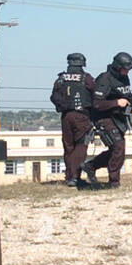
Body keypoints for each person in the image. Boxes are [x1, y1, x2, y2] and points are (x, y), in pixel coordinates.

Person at [83, 52, 132, 188]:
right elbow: (97, 104)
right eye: (125, 68)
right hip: (103, 118)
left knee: (117, 150)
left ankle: (91, 166)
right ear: (117, 66)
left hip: (118, 118)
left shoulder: (124, 78)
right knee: (118, 146)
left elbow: (125, 95)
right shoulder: (105, 79)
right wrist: (116, 103)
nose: (127, 71)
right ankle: (114, 182)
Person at [49, 52, 96, 186]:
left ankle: (69, 177)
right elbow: (96, 94)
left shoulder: (61, 78)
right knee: (81, 145)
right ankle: (75, 177)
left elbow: (53, 97)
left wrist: (61, 107)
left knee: (68, 147)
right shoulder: (86, 78)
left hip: (66, 116)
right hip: (82, 115)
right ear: (83, 63)